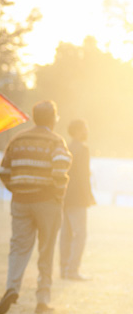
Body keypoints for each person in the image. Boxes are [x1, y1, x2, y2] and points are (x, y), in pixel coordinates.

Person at [0, 100, 72, 314]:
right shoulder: (56, 141)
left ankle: (12, 287)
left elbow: (3, 171)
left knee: (18, 247)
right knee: (46, 249)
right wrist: (58, 194)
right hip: (47, 201)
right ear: (54, 118)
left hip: (20, 201)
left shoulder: (18, 139)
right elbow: (60, 170)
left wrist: (16, 189)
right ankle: (42, 300)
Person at [60, 119, 95, 280]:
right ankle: (72, 270)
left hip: (65, 196)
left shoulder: (66, 146)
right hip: (78, 198)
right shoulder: (83, 149)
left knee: (66, 234)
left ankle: (64, 269)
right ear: (79, 131)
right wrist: (89, 196)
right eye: (85, 128)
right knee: (80, 234)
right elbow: (83, 175)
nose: (87, 131)